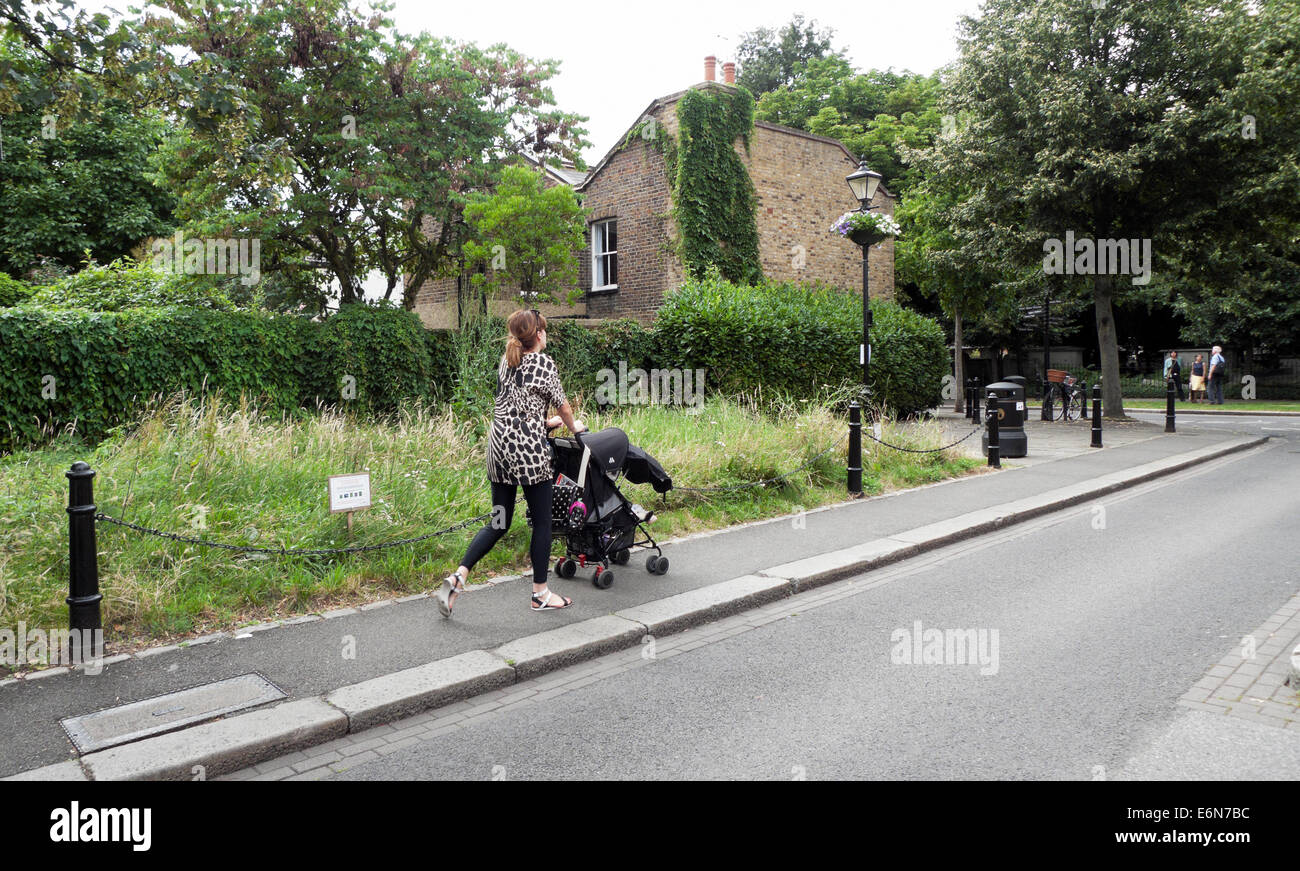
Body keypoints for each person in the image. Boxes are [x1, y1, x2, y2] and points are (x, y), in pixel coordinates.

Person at [437, 309, 586, 617]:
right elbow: (563, 403)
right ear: (540, 335)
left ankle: (458, 576)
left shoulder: (508, 360)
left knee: (499, 521)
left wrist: (545, 423)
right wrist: (575, 428)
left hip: (499, 446)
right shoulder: (543, 362)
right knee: (543, 522)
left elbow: (515, 405)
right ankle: (540, 594)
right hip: (529, 450)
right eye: (544, 330)